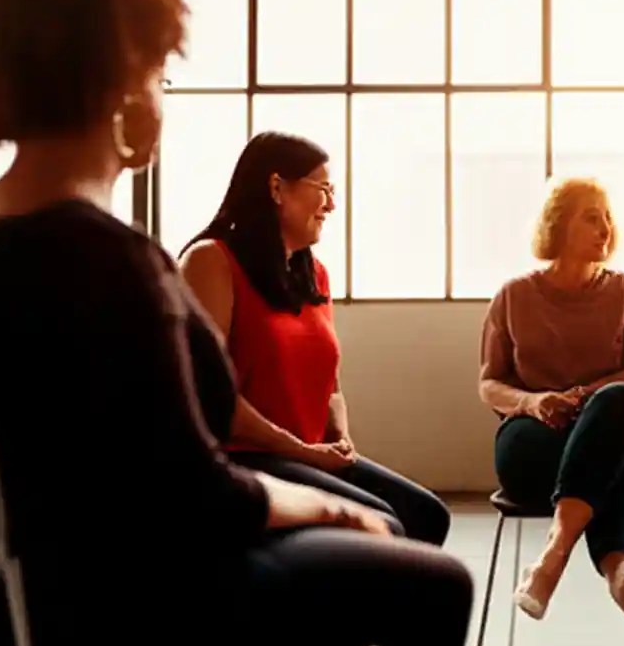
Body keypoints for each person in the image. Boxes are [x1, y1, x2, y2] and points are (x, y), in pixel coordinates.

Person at [0, 0, 472, 646]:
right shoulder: (117, 264)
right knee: (440, 584)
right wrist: (332, 506)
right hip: (135, 606)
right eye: (159, 72)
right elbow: (201, 497)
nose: (162, 92)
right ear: (121, 76)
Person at [178, 131, 451, 546]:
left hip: (305, 453)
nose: (332, 205)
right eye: (322, 189)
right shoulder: (210, 261)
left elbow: (331, 384)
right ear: (275, 188)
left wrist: (339, 438)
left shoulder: (313, 272)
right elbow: (211, 398)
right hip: (242, 457)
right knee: (387, 526)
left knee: (428, 516)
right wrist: (303, 452)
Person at [479, 177, 624, 636]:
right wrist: (534, 401)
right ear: (558, 224)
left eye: (607, 217)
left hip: (620, 423)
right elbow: (489, 383)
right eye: (591, 217)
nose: (604, 228)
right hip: (538, 439)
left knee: (618, 400)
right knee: (617, 466)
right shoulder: (514, 296)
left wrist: (584, 397)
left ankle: (553, 554)